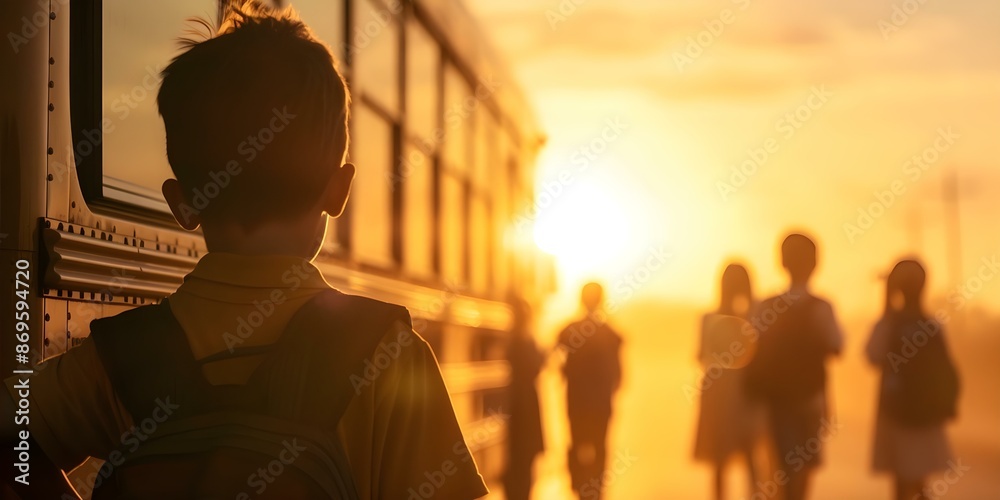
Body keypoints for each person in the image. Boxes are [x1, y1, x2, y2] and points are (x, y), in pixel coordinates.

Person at [0, 5, 488, 499]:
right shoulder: (388, 353)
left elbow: (9, 440)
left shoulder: (120, 355)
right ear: (339, 190)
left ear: (181, 203)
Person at [744, 233, 843, 500]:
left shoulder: (766, 306)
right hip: (811, 397)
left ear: (782, 262)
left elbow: (750, 348)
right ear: (815, 264)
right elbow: (837, 346)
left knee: (782, 463)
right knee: (805, 465)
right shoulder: (822, 307)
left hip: (776, 399)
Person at [865, 260, 959, 500]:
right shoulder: (933, 326)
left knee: (903, 479)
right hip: (926, 412)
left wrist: (886, 305)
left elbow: (872, 356)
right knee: (917, 477)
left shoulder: (889, 324)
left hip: (895, 410)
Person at [693, 263, 765, 500]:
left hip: (733, 393)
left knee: (723, 459)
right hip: (738, 394)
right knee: (746, 456)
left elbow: (700, 355)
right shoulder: (754, 319)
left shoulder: (711, 318)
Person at [557, 282, 623, 500]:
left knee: (577, 444)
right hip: (601, 404)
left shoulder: (569, 331)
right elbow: (620, 376)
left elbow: (559, 361)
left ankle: (579, 487)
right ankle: (596, 491)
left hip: (576, 403)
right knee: (600, 447)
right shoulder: (611, 334)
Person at [503, 297, 545, 500]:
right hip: (526, 402)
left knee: (518, 454)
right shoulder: (525, 341)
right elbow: (537, 364)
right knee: (525, 455)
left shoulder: (514, 340)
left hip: (518, 401)